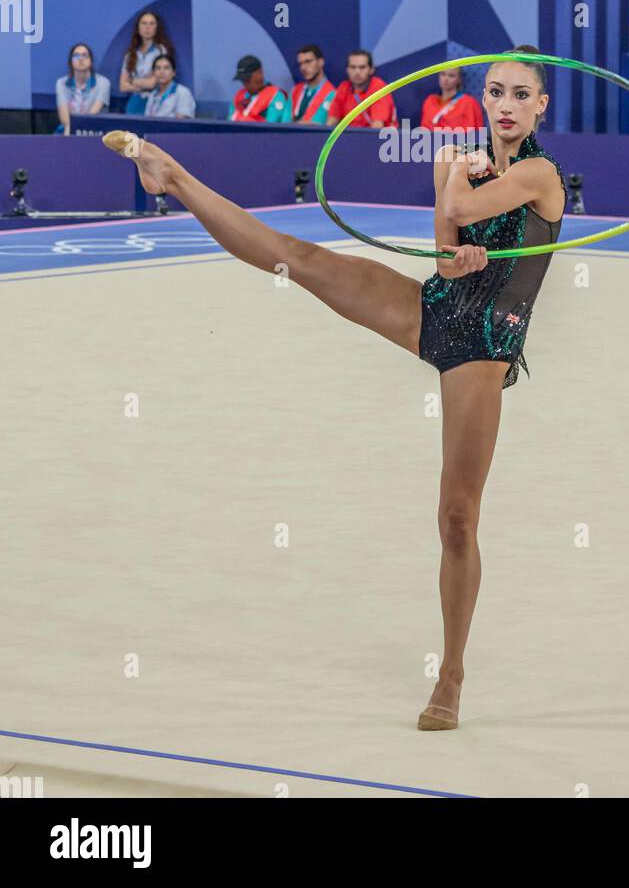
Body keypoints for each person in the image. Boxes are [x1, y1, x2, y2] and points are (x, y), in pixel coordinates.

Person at [102, 44, 566, 731]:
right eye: (495, 91)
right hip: (435, 311)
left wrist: (455, 193)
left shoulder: (540, 172)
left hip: (485, 350)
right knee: (303, 259)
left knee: (457, 518)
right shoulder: (455, 162)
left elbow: (464, 212)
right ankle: (173, 175)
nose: (504, 105)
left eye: (520, 95)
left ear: (540, 107)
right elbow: (447, 252)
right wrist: (458, 246)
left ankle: (452, 672)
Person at [119, 9, 174, 113]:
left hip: (155, 101)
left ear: (156, 28)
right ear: (138, 27)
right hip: (134, 103)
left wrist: (131, 81)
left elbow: (151, 84)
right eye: (144, 23)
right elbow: (122, 86)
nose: (147, 27)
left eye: (151, 23)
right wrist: (141, 86)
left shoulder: (161, 51)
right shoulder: (130, 54)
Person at [328, 49, 397, 129]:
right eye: (353, 67)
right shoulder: (344, 87)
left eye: (362, 67)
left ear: (371, 70)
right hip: (351, 138)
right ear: (347, 70)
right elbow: (331, 122)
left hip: (379, 138)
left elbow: (377, 127)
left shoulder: (379, 87)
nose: (357, 72)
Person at [55, 41, 110, 134]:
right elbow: (64, 118)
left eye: (84, 55)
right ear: (71, 61)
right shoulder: (61, 83)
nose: (80, 59)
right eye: (76, 56)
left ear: (91, 61)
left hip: (94, 131)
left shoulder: (103, 83)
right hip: (69, 129)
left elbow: (92, 115)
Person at [420, 67, 484, 133]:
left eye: (451, 76)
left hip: (457, 142)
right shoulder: (430, 101)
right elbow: (423, 130)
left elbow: (477, 135)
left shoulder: (469, 102)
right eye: (443, 74)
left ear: (459, 79)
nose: (445, 79)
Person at [229, 54, 288, 122]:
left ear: (260, 73)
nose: (245, 83)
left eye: (247, 79)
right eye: (242, 79)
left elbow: (271, 126)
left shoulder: (276, 96)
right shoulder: (238, 96)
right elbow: (229, 121)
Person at [286, 44, 335, 125]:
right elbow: (285, 122)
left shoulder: (332, 93)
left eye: (308, 62)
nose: (303, 68)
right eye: (300, 64)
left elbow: (317, 124)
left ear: (320, 62)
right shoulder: (295, 90)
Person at [143, 53, 196, 118]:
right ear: (153, 73)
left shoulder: (182, 92)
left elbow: (183, 121)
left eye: (166, 68)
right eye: (158, 68)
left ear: (173, 73)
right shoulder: (152, 95)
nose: (162, 71)